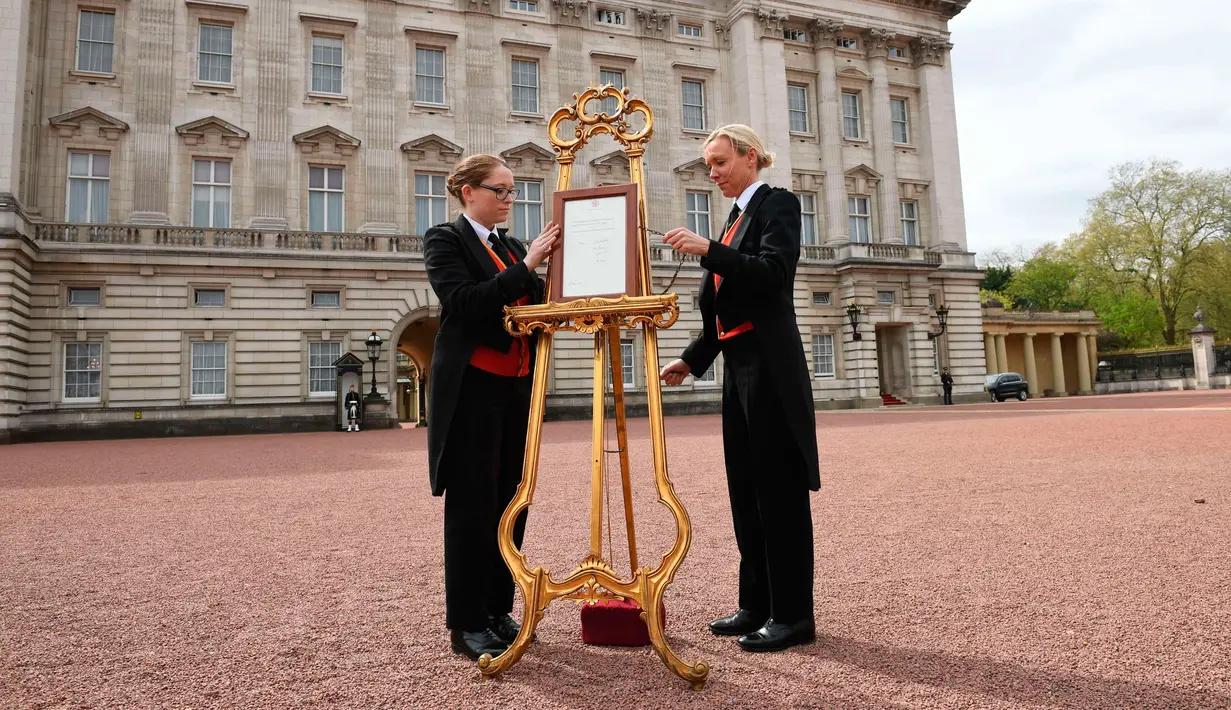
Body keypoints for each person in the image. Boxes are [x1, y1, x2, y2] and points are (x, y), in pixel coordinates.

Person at [660, 125, 821, 653]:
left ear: (751, 156)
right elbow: (726, 310)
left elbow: (773, 276)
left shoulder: (779, 204)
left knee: (779, 493)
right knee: (746, 492)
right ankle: (756, 603)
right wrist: (690, 358)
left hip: (771, 367)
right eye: (709, 164)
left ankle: (793, 616)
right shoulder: (733, 219)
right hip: (740, 367)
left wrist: (708, 249)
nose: (713, 173)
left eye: (721, 162)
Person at [423, 154, 561, 661]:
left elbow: (539, 306)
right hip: (473, 393)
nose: (509, 199)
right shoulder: (445, 240)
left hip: (517, 392)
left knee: (511, 500)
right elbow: (462, 303)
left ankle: (498, 609)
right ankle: (466, 622)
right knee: (471, 509)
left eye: (512, 191)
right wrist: (527, 269)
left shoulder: (514, 247)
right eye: (500, 191)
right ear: (468, 192)